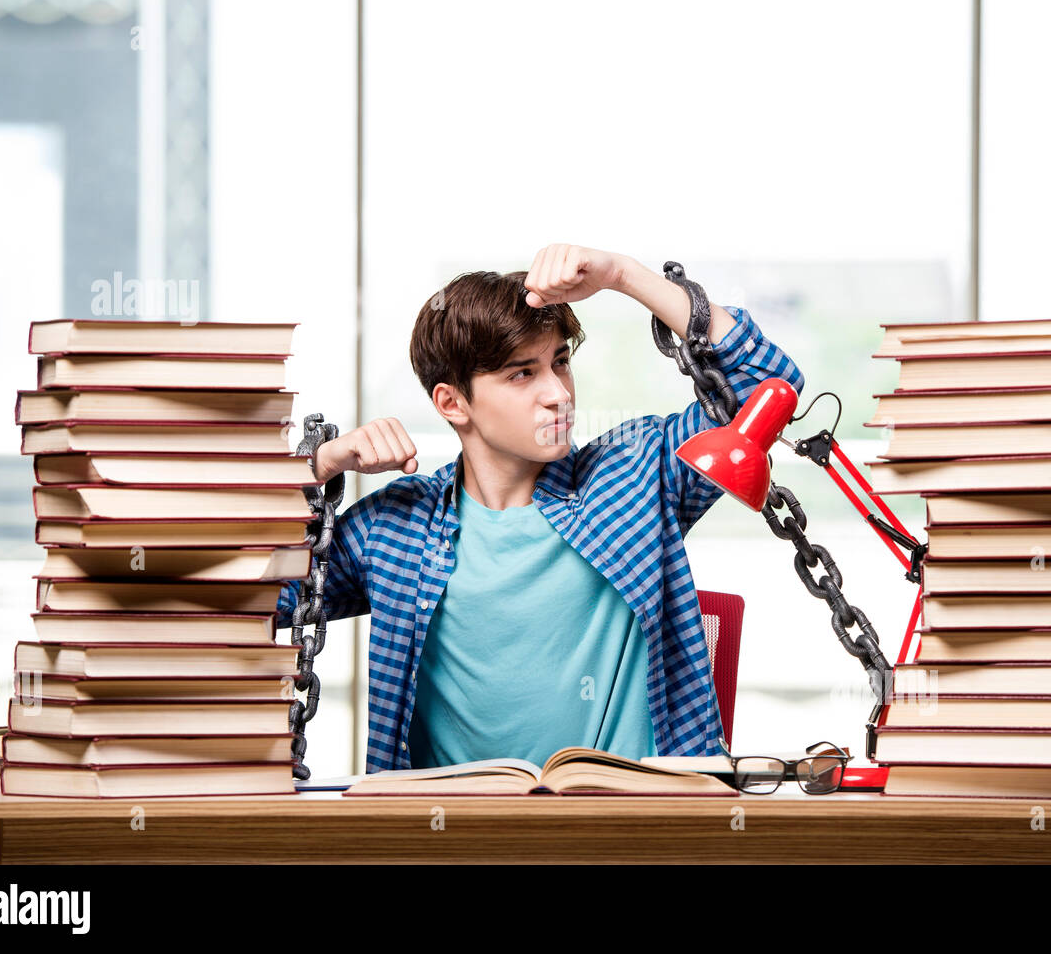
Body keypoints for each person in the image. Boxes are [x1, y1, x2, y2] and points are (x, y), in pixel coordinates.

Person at [276, 244, 805, 772]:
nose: (558, 393)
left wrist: (621, 275)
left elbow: (768, 384)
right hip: (452, 840)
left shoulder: (637, 475)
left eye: (560, 362)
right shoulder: (394, 528)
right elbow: (246, 598)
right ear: (452, 403)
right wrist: (316, 466)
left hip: (635, 831)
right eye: (521, 374)